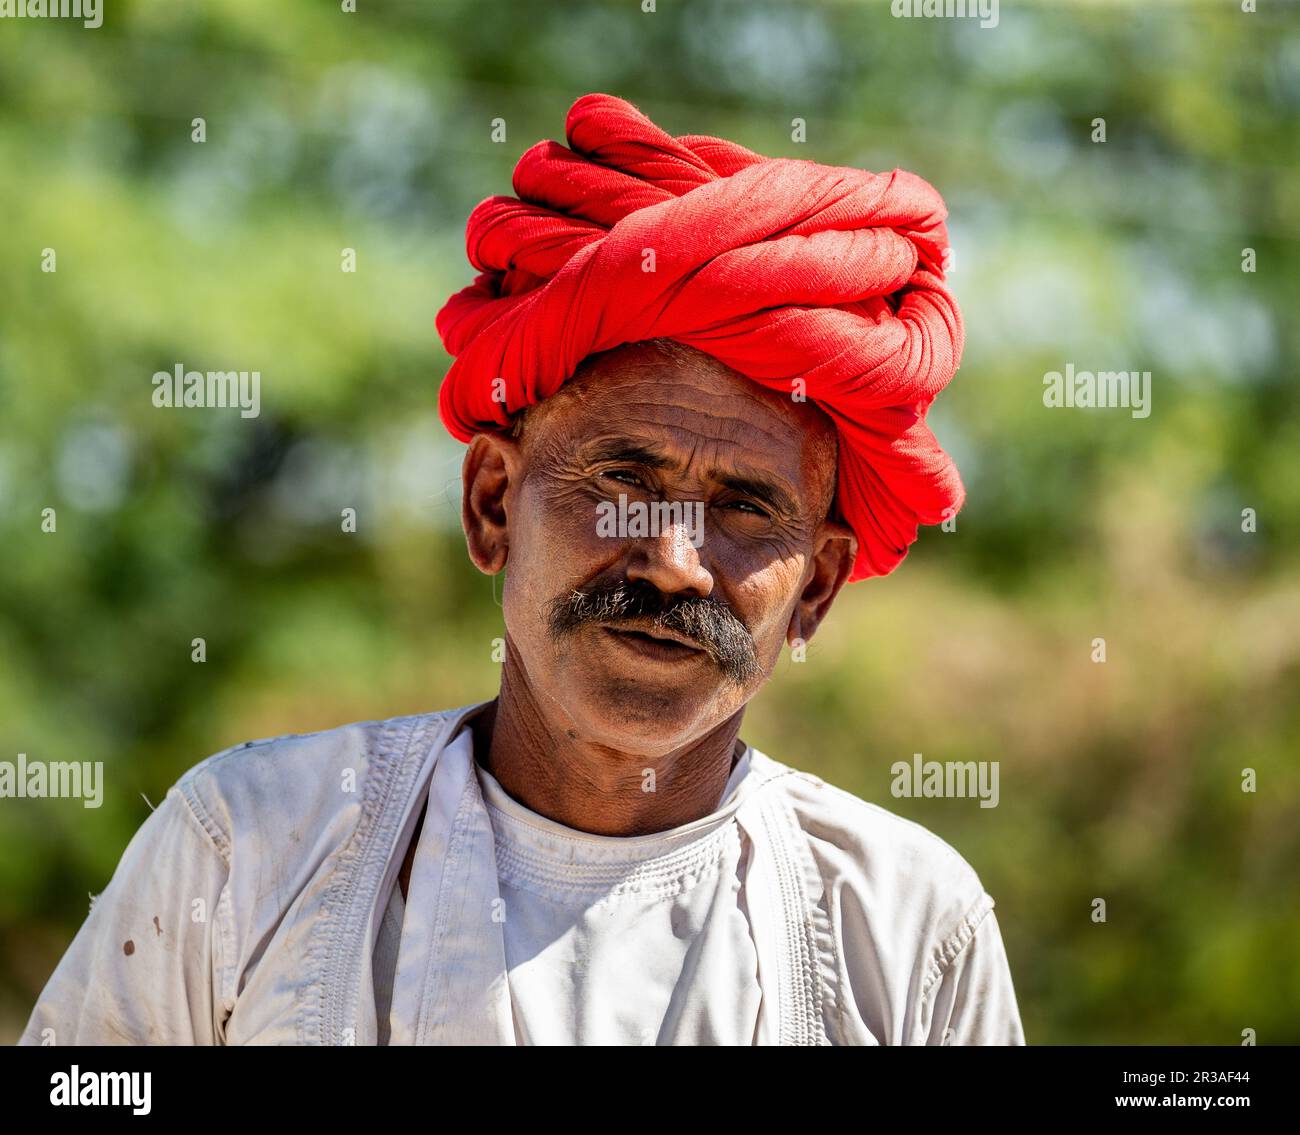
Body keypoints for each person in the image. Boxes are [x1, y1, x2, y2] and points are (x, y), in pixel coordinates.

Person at [20, 93, 1024, 1046]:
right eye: (621, 479)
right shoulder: (249, 846)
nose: (674, 562)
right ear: (492, 502)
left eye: (744, 508)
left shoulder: (906, 929)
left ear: (816, 585)